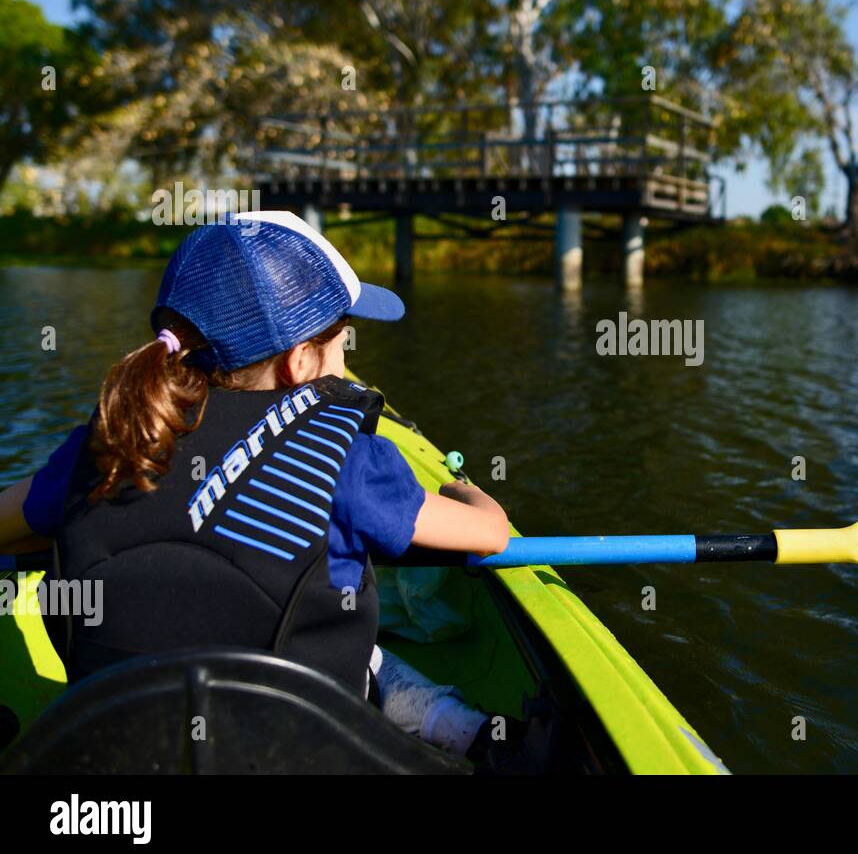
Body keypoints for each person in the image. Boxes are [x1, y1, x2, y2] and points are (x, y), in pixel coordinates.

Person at [0, 211, 515, 765]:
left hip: (122, 759)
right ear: (299, 362)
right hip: (297, 758)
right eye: (344, 346)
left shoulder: (105, 448)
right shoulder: (349, 459)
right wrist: (464, 489)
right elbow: (491, 534)